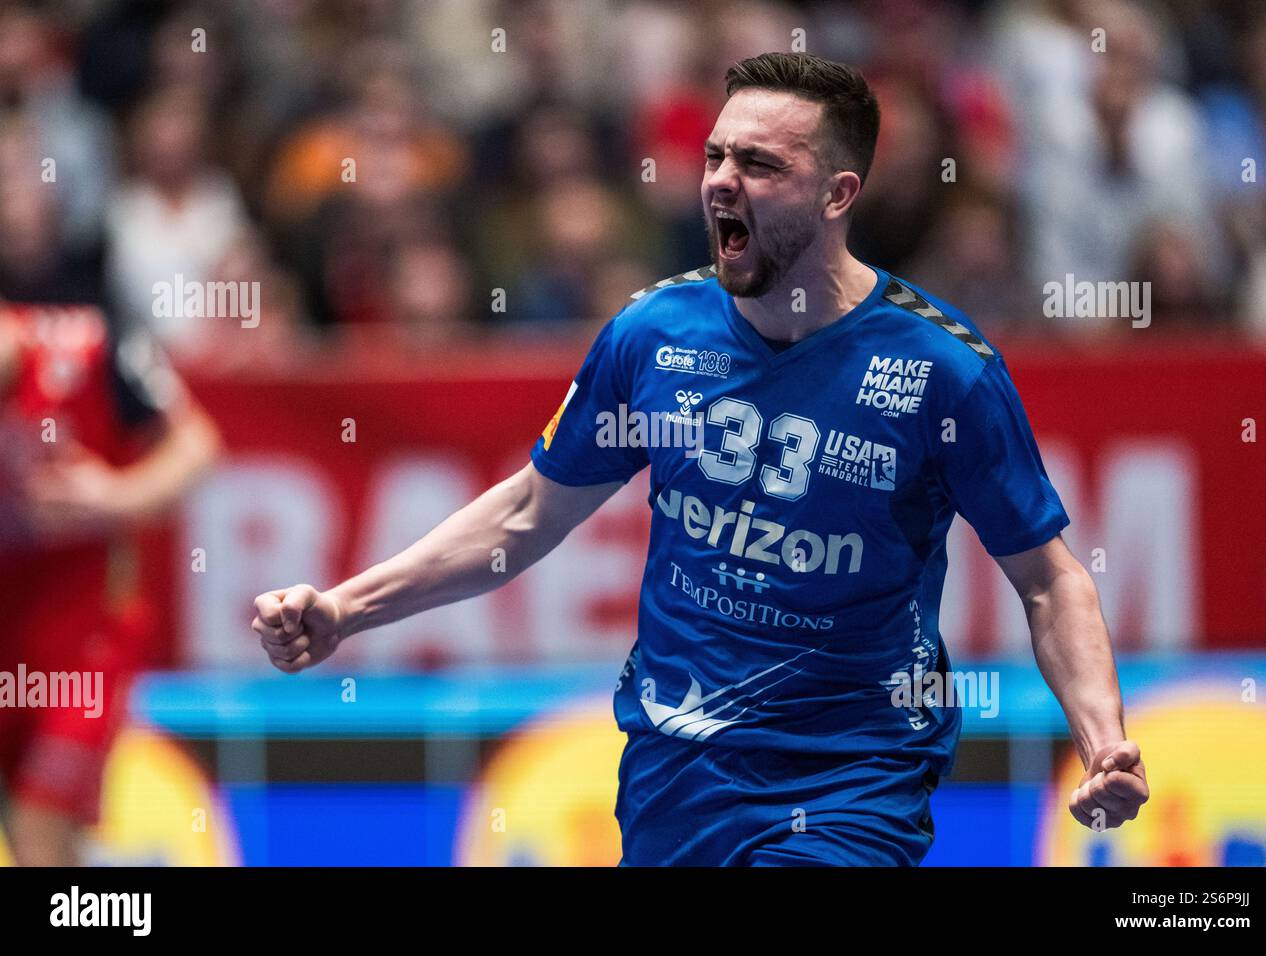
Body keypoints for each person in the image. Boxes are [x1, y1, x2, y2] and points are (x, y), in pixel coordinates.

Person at [251, 52, 1148, 866]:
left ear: (838, 195)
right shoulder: (653, 334)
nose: (722, 182)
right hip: (673, 778)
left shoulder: (942, 370)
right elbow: (528, 514)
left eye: (760, 166)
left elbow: (1048, 578)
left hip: (851, 782)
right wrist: (342, 608)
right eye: (716, 157)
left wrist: (1102, 740)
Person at [0, 303, 221, 865]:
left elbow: (198, 445)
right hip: (9, 646)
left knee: (37, 824)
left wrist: (117, 497)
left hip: (91, 641)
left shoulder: (94, 346)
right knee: (51, 839)